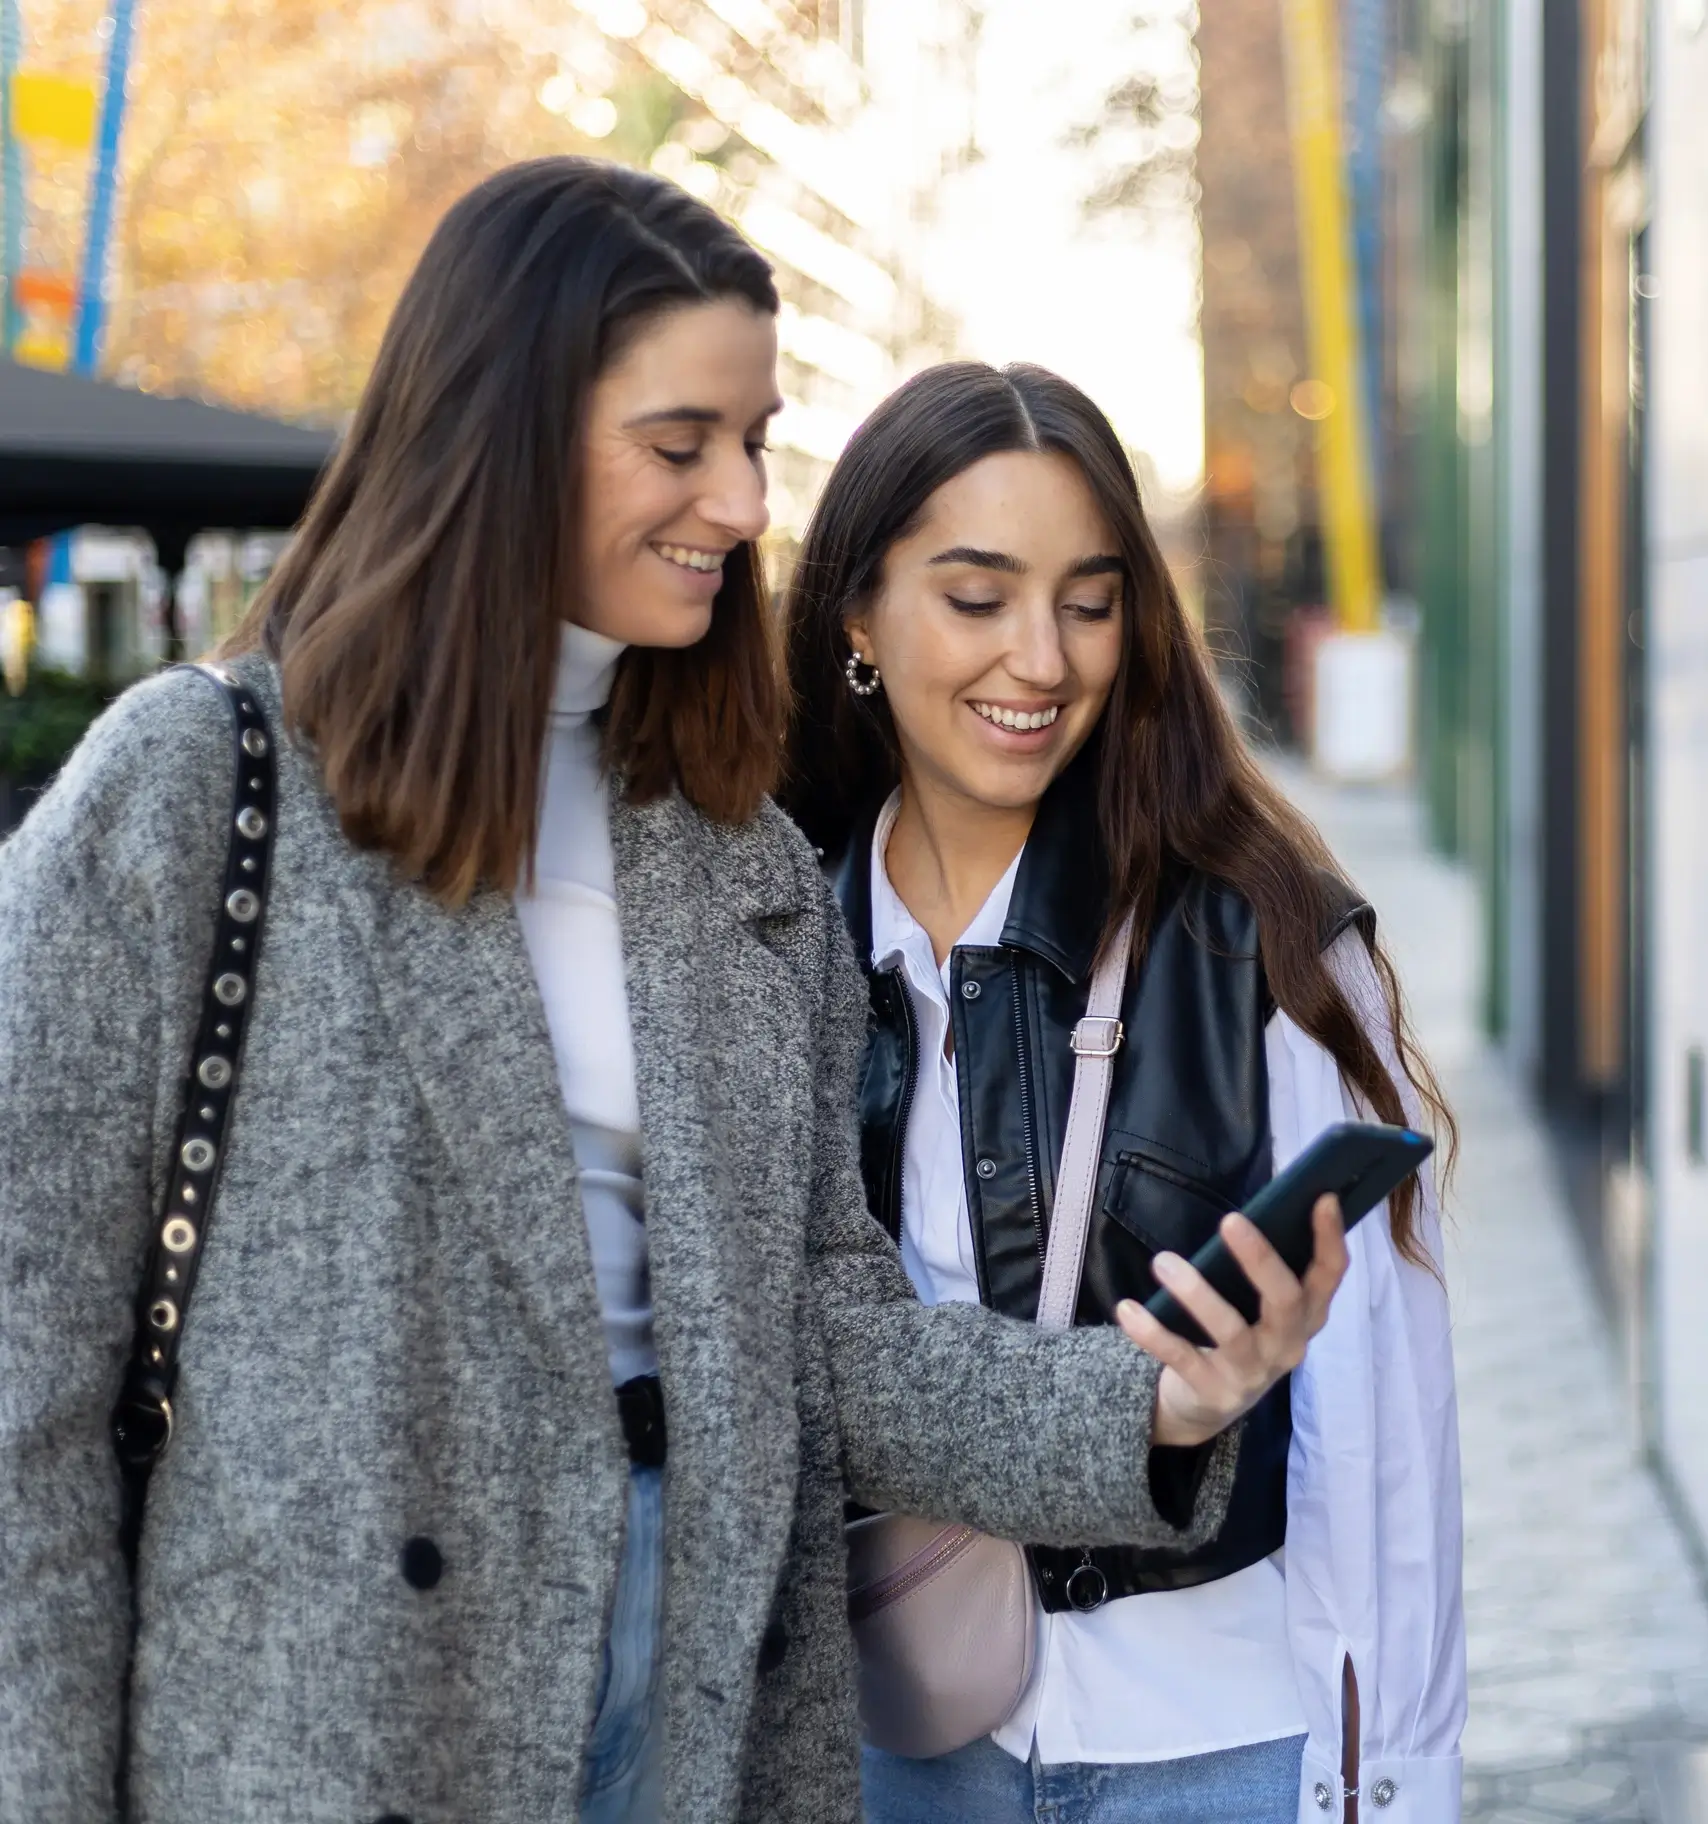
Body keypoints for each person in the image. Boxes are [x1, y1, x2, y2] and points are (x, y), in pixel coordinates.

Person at [0, 159, 1343, 1823]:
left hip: (702, 1682)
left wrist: (1151, 1401)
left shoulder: (737, 865)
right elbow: (21, 1395)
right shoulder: (200, 792)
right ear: (505, 431)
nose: (744, 503)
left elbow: (828, 1341)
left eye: (758, 441)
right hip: (334, 1710)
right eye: (680, 443)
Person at [779, 360, 1467, 1824]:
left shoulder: (1264, 936)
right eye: (977, 599)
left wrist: (1387, 1777)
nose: (1041, 659)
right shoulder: (775, 943)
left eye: (1088, 602)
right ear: (856, 614)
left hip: (1218, 1742)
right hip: (890, 1744)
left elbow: (1380, 1415)